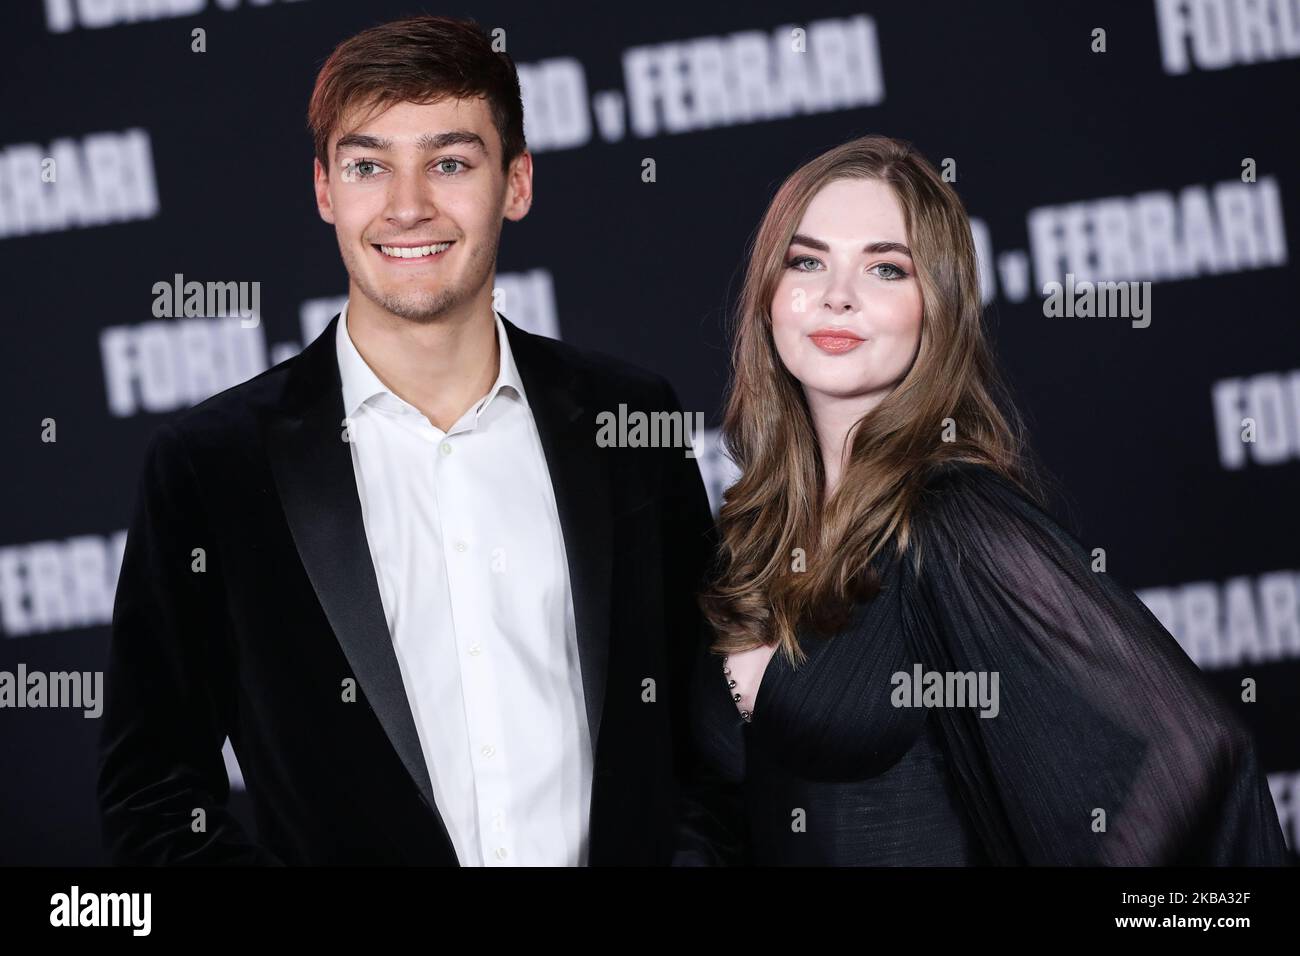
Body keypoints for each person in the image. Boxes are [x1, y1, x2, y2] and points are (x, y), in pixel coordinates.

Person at [97, 15, 714, 866]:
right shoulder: (212, 467)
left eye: (450, 162)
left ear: (517, 182)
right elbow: (153, 793)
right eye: (368, 166)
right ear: (325, 191)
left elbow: (710, 745)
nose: (408, 205)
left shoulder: (629, 424)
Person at [674, 134, 1290, 866]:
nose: (837, 294)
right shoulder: (748, 535)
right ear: (768, 298)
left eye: (884, 268)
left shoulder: (952, 517)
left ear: (937, 307)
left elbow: (1194, 752)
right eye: (807, 261)